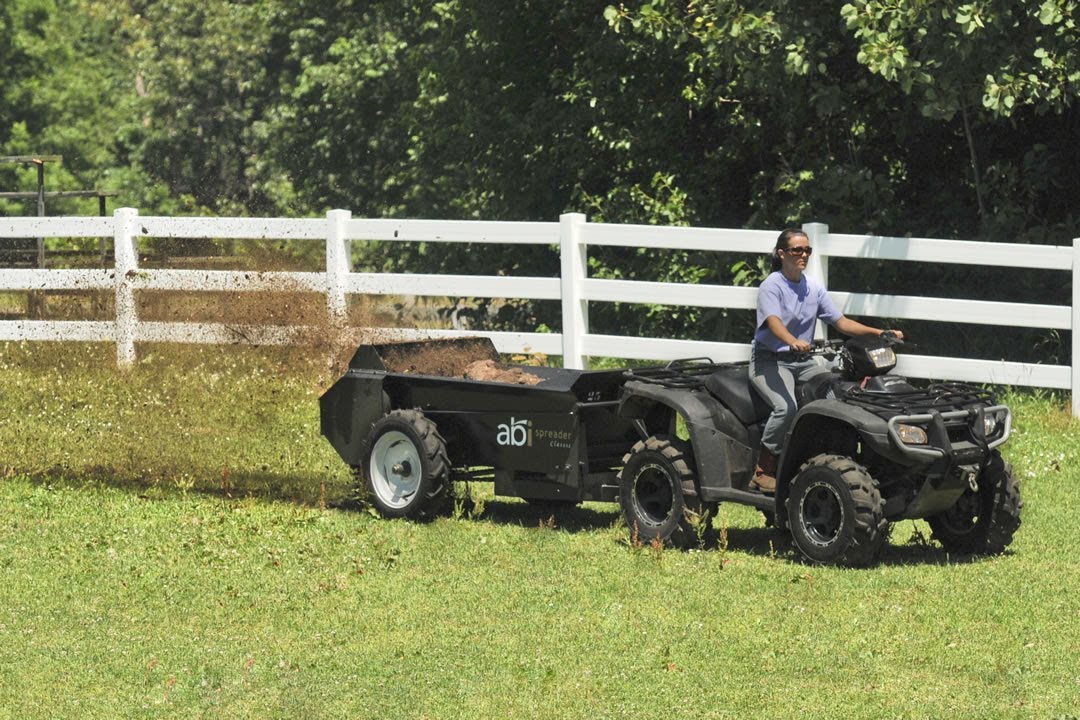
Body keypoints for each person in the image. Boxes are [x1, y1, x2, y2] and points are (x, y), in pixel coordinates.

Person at [748, 228, 903, 493]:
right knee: (785, 407)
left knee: (839, 393)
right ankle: (763, 471)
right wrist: (791, 340)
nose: (804, 255)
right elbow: (773, 322)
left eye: (807, 250)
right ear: (781, 253)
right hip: (770, 361)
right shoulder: (771, 286)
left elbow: (841, 322)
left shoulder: (812, 288)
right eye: (797, 250)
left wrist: (879, 333)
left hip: (805, 362)